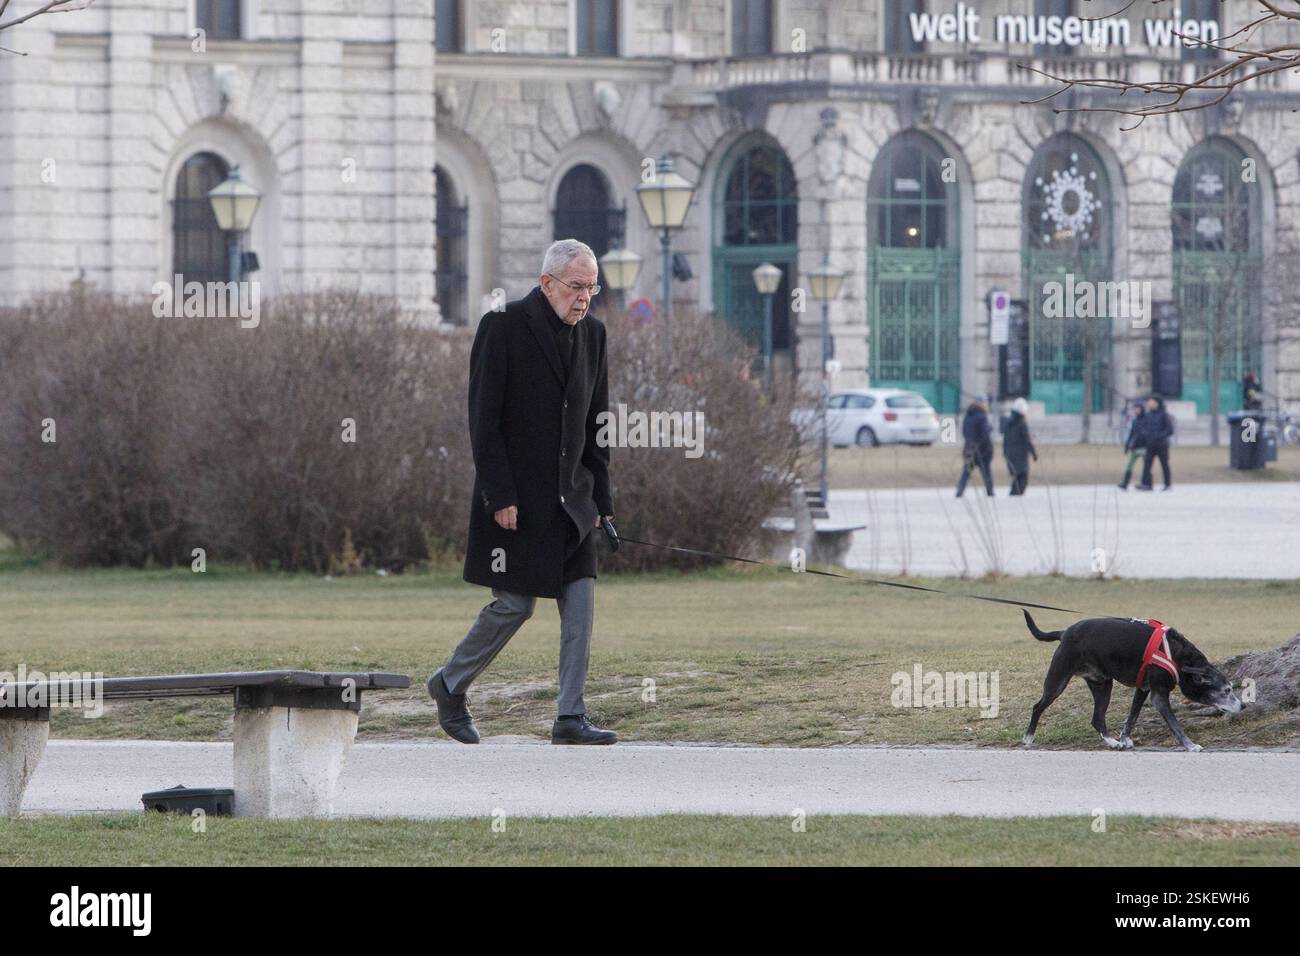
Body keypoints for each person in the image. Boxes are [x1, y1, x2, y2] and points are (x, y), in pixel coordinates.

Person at [428, 239, 618, 746]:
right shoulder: (503, 327)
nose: (585, 297)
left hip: (572, 501)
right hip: (516, 500)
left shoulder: (594, 336)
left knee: (580, 602)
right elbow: (483, 421)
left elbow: (598, 424)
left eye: (592, 287)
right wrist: (499, 495)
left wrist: (603, 501)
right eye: (577, 286)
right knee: (515, 605)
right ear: (547, 283)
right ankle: (450, 685)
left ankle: (569, 717)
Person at [955, 393, 995, 497]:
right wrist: (989, 429)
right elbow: (984, 434)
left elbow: (964, 432)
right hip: (981, 451)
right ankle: (990, 493)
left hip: (969, 449)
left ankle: (959, 492)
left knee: (966, 473)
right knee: (987, 474)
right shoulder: (982, 417)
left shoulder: (968, 416)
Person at [1136, 393, 1174, 491]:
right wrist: (1145, 435)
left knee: (1164, 465)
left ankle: (1167, 484)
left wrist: (1160, 436)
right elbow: (1143, 428)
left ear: (1156, 403)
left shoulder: (1164, 415)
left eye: (1151, 401)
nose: (1149, 403)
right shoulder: (1148, 415)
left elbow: (1170, 429)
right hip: (1150, 445)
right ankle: (1147, 484)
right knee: (1147, 465)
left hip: (1162, 445)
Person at [1002, 397, 1037, 495]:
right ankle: (1015, 498)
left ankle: (1014, 496)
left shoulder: (1008, 422)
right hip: (1020, 455)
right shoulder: (1022, 423)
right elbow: (1027, 439)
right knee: (1023, 478)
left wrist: (1005, 452)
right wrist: (1034, 453)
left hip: (1010, 454)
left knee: (1017, 478)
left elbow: (1005, 439)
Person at [1117, 400, 1147, 490]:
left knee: (1146, 466)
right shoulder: (1135, 421)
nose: (1137, 410)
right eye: (1135, 409)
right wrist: (1127, 445)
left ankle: (1145, 483)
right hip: (1135, 447)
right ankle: (1125, 483)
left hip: (1145, 447)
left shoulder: (1147, 419)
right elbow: (1131, 434)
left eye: (1138, 409)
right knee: (1129, 465)